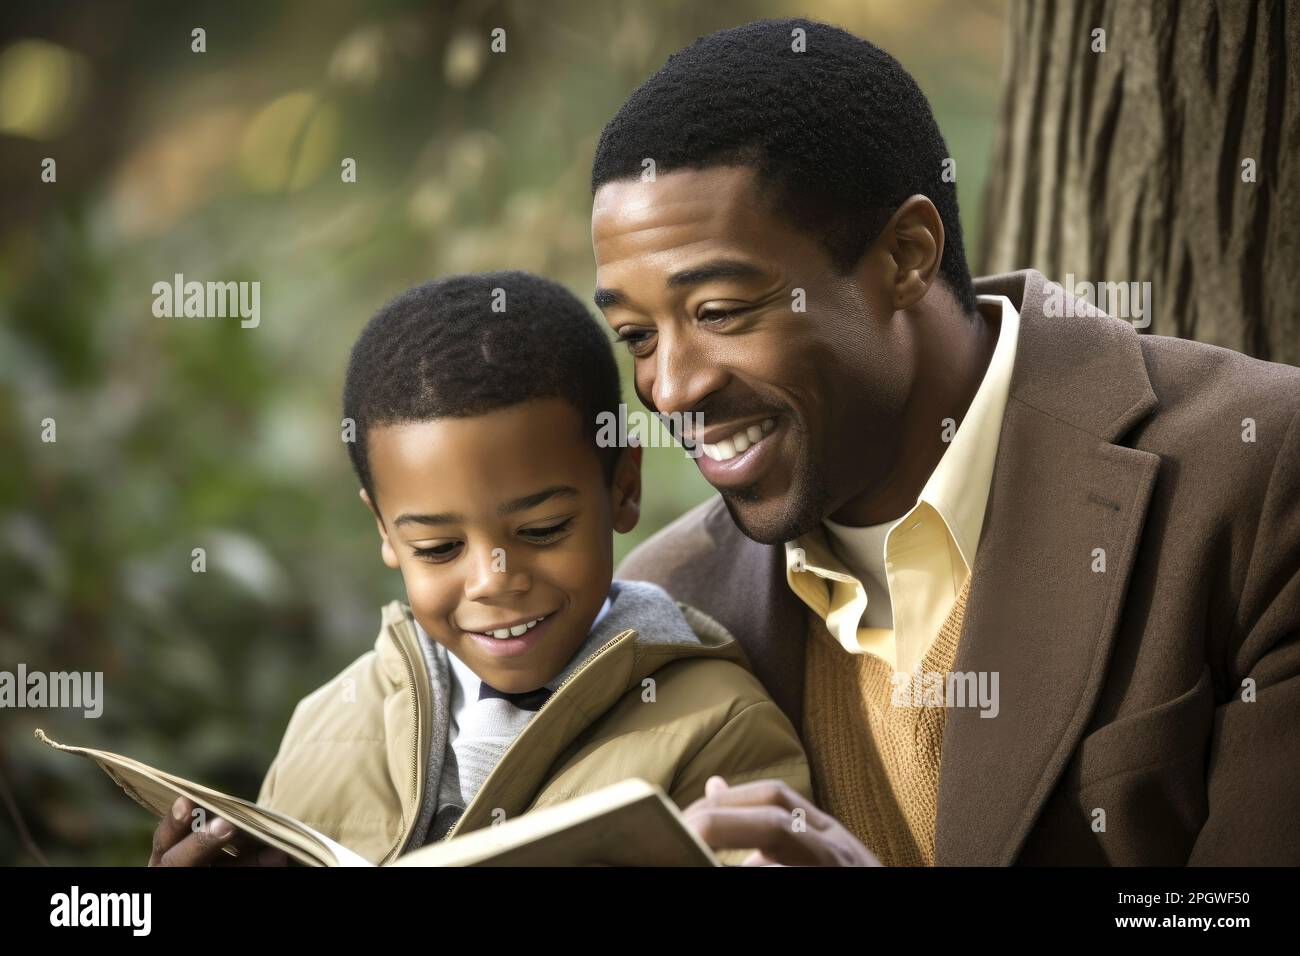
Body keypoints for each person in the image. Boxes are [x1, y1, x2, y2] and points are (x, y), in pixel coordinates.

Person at [592, 19, 1300, 865]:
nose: (671, 387)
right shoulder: (668, 606)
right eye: (637, 337)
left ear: (906, 256)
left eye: (720, 313)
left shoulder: (1256, 474)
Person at [148, 271, 810, 867]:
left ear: (623, 487)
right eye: (437, 549)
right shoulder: (327, 724)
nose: (494, 579)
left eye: (542, 530)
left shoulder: (717, 729)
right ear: (384, 529)